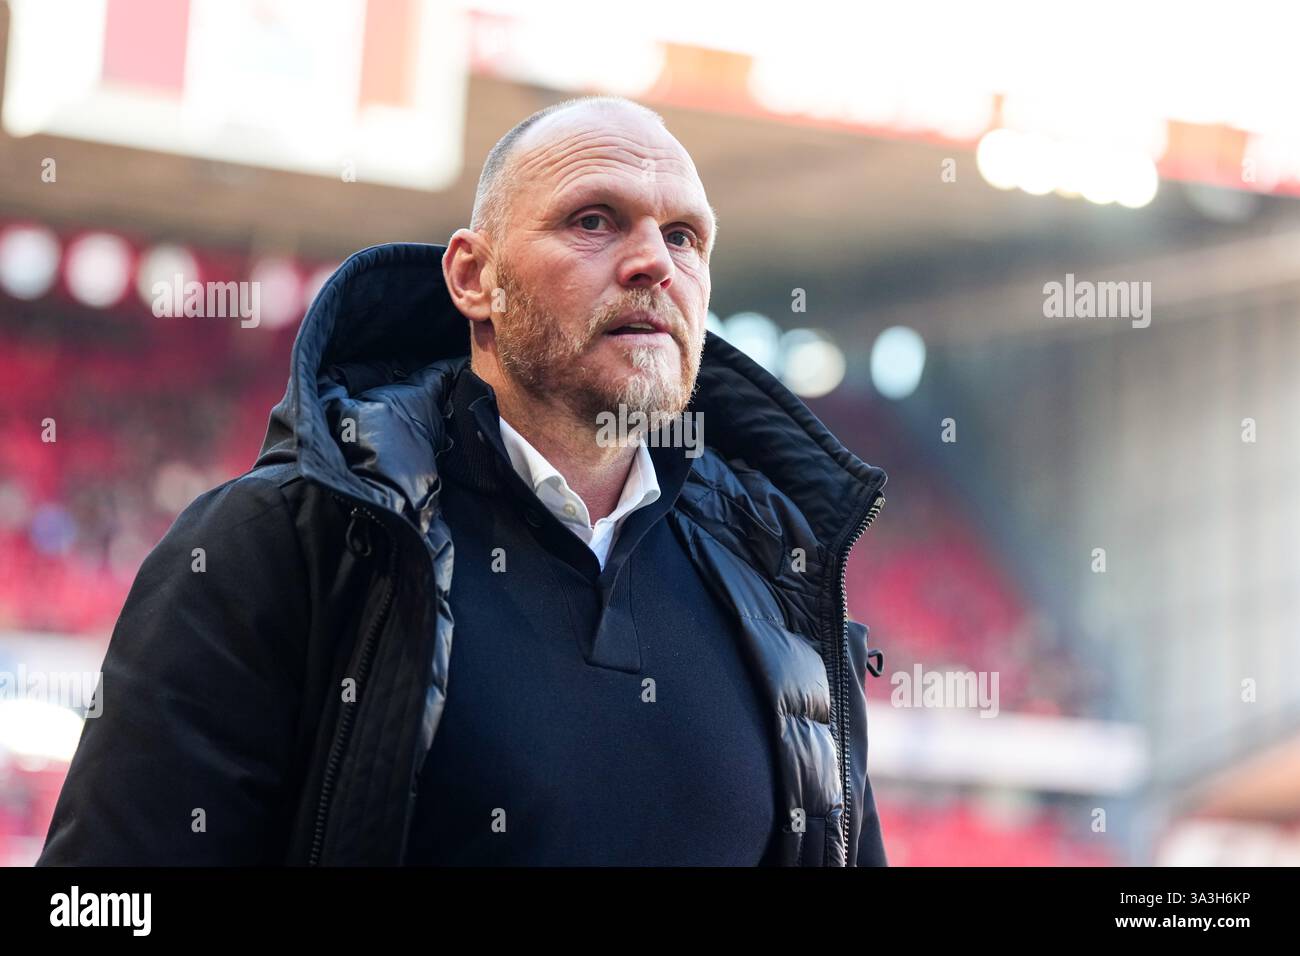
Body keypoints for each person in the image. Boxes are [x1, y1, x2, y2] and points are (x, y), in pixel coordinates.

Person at [36, 96, 889, 866]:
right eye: (595, 221)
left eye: (684, 237)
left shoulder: (785, 589)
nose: (653, 264)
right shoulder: (278, 547)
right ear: (474, 279)